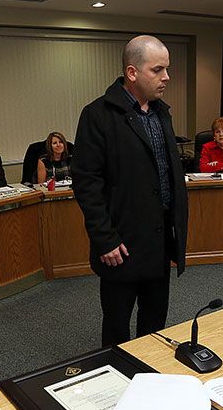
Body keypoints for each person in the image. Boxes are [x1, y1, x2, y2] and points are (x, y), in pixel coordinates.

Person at [73, 35, 188, 347]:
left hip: (159, 239)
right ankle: (117, 380)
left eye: (167, 69)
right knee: (117, 327)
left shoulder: (162, 112)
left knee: (154, 323)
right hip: (120, 246)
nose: (167, 77)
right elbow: (86, 183)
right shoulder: (97, 115)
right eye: (158, 69)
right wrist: (104, 238)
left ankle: (147, 380)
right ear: (132, 72)